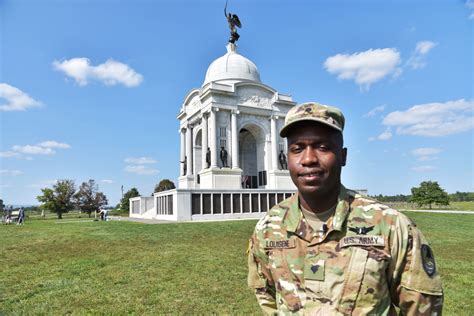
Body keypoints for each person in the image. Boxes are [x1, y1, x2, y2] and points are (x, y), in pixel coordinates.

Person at [247, 102, 443, 314]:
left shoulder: (391, 226)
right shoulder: (268, 228)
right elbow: (266, 296)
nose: (309, 159)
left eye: (323, 147)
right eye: (297, 149)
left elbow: (422, 308)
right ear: (287, 158)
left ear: (343, 156)